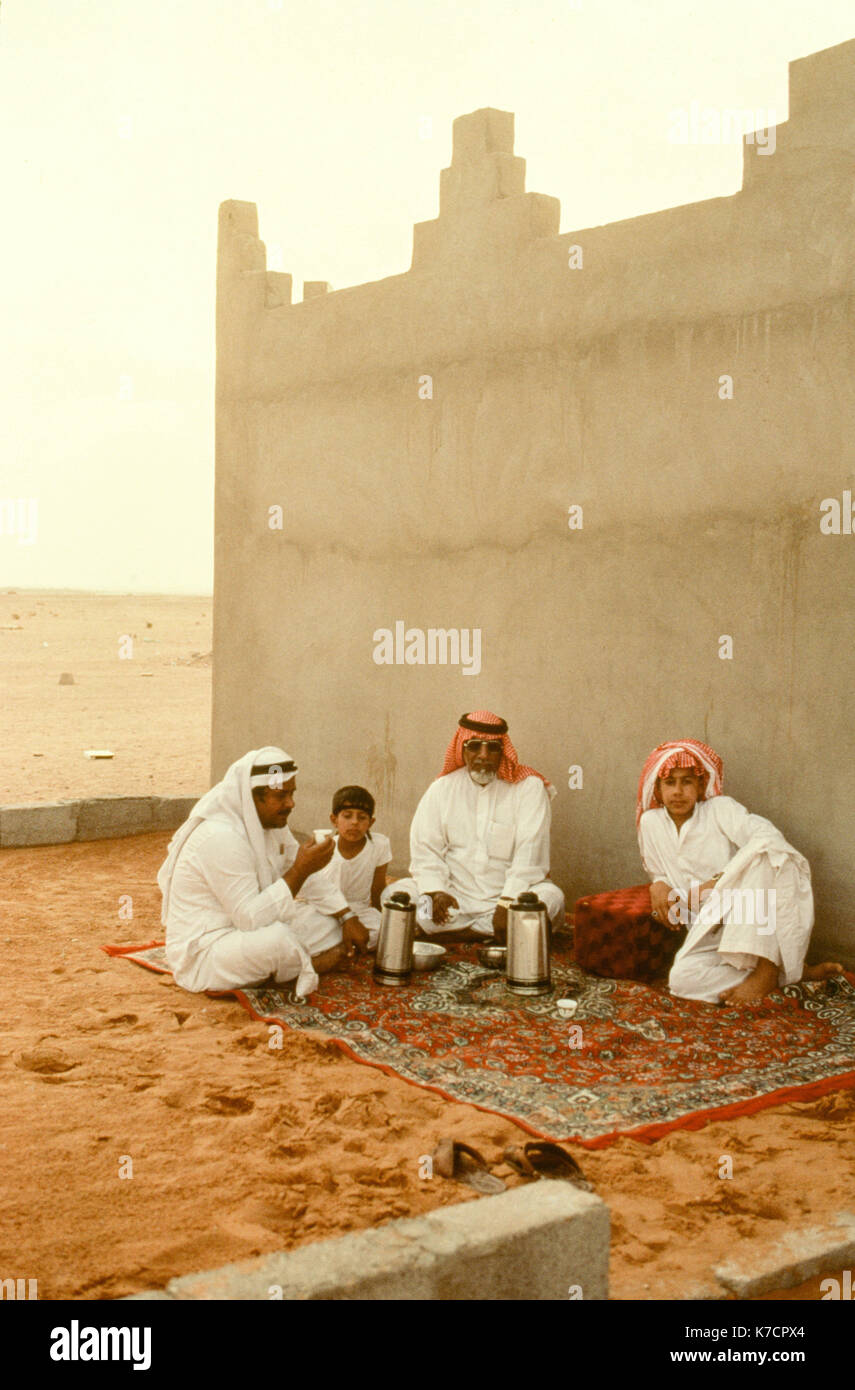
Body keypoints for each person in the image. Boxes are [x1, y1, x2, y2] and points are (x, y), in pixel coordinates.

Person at [637, 739, 840, 1004]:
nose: (678, 791)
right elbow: (657, 869)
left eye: (686, 781)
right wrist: (659, 883)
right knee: (680, 979)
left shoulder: (720, 809)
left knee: (769, 854)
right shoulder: (650, 823)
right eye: (670, 782)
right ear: (658, 788)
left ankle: (766, 969)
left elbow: (767, 836)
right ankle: (785, 973)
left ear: (700, 787)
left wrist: (717, 883)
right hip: (705, 924)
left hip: (747, 912)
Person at [158, 746, 365, 995]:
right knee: (278, 940)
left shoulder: (272, 824)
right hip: (209, 949)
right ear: (252, 797)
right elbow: (249, 919)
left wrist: (346, 915)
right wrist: (300, 870)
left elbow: (306, 876)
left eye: (292, 793)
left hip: (249, 929)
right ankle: (310, 966)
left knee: (328, 920)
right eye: (281, 796)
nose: (291, 803)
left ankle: (283, 967)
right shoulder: (221, 837)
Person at [383, 710, 564, 939]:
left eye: (492, 748)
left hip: (513, 897)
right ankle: (502, 934)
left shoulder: (529, 788)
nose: (483, 755)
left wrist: (507, 903)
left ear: (502, 751)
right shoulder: (443, 788)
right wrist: (435, 890)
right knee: (396, 895)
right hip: (454, 899)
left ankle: (458, 933)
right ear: (462, 748)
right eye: (475, 746)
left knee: (552, 899)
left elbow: (531, 853)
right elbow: (425, 849)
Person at [306, 785, 391, 948]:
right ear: (334, 820)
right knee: (304, 927)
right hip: (327, 910)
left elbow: (378, 888)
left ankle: (336, 944)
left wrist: (384, 920)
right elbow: (314, 889)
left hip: (360, 910)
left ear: (371, 822)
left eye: (362, 817)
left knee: (383, 931)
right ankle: (344, 943)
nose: (354, 822)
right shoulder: (324, 846)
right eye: (347, 816)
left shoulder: (379, 845)